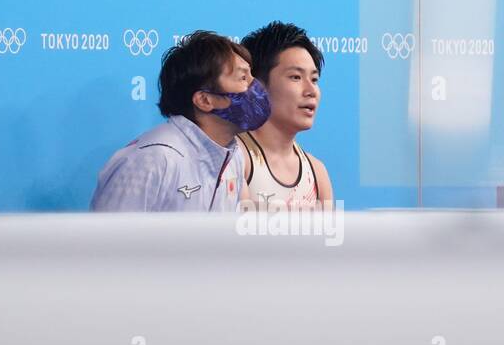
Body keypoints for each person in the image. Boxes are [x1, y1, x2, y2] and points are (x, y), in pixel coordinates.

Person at [91, 31, 267, 211]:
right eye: (243, 78)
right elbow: (107, 238)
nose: (257, 86)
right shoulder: (151, 161)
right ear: (205, 100)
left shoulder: (233, 155)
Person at [236, 21, 334, 209]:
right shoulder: (236, 158)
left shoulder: (317, 172)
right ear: (257, 87)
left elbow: (328, 238)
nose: (311, 90)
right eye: (295, 77)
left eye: (314, 79)